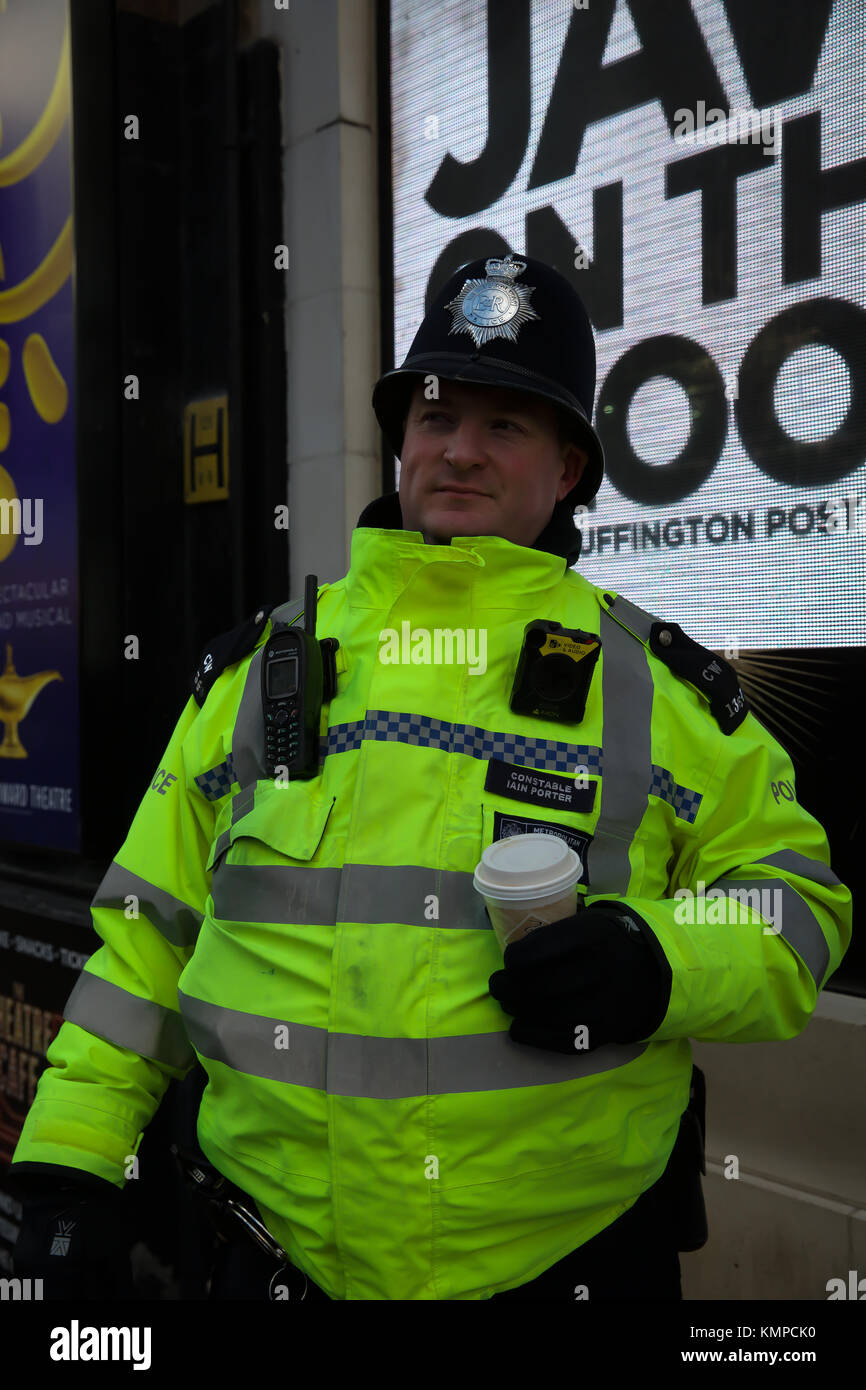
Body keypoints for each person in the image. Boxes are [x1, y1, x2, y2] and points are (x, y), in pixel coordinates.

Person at [8, 255, 852, 1301]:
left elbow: (797, 909)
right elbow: (145, 942)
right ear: (399, 438)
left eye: (505, 425)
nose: (457, 449)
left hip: (562, 1275)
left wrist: (658, 957)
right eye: (433, 416)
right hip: (265, 1266)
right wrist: (68, 1166)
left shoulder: (657, 692)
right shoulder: (255, 674)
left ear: (568, 468)